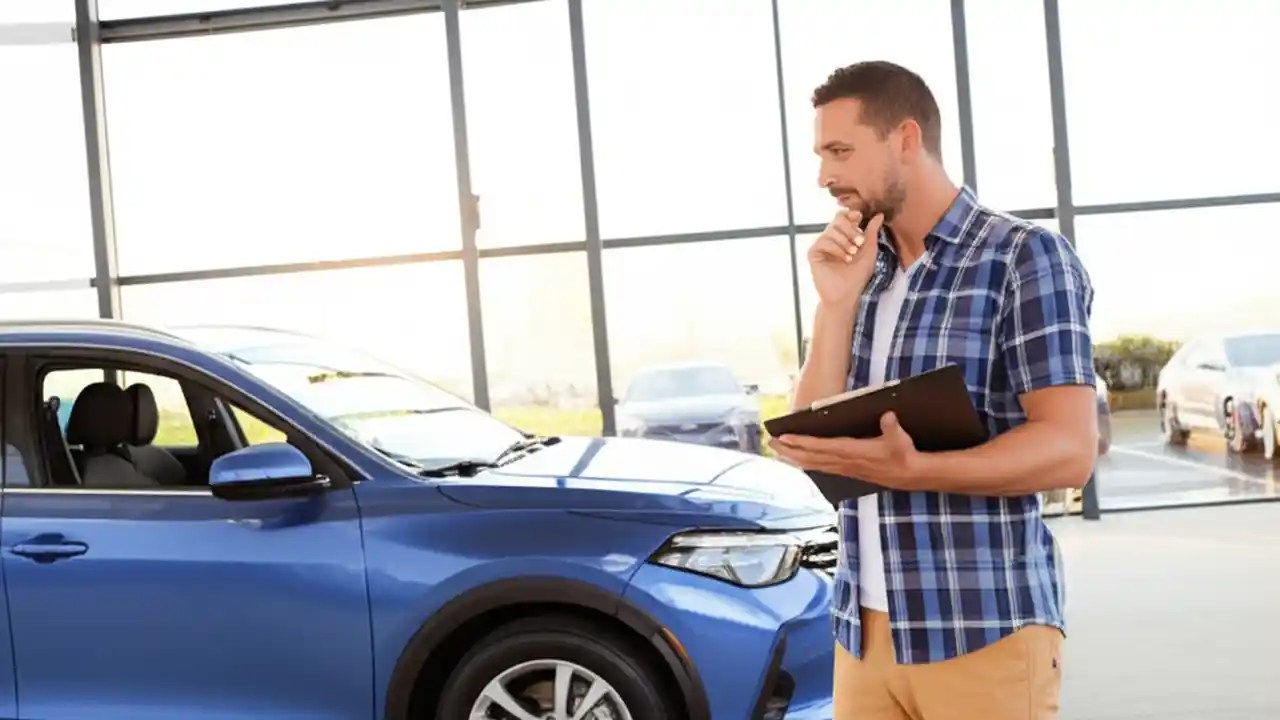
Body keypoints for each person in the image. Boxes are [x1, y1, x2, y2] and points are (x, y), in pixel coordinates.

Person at [769, 60, 1098, 719]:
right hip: (863, 637)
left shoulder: (1023, 256)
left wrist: (919, 470)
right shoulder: (863, 270)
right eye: (820, 154)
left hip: (983, 631)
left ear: (907, 139)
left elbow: (1069, 450)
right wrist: (834, 306)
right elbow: (810, 434)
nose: (825, 176)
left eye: (840, 151)